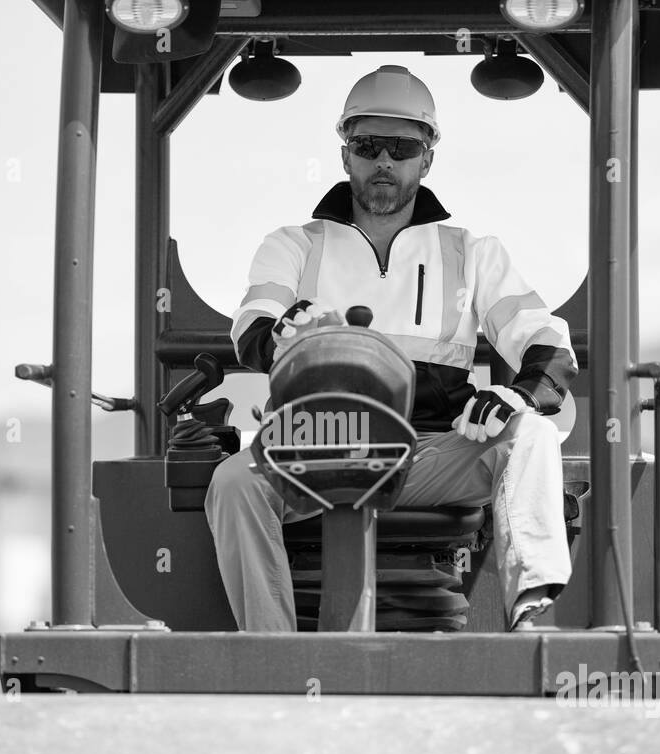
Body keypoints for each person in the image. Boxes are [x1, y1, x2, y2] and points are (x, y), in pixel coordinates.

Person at [206, 64, 577, 633]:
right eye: (367, 145)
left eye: (401, 147)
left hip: (433, 452)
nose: (384, 161)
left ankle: (531, 610)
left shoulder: (472, 253)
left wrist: (515, 395)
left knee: (530, 434)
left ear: (427, 158)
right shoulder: (293, 246)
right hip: (315, 445)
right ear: (345, 154)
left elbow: (546, 339)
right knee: (233, 482)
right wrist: (281, 333)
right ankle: (273, 653)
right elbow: (252, 324)